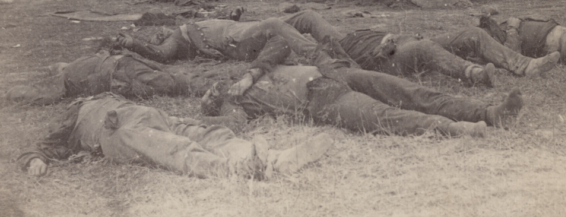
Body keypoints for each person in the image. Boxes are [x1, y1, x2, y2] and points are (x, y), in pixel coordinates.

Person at [116, 10, 559, 87]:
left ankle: (525, 66)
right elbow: (162, 54)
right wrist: (130, 42)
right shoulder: (183, 36)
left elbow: (298, 22)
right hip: (388, 55)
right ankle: (472, 74)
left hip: (387, 42)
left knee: (470, 34)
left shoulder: (331, 32)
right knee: (423, 47)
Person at [205, 36, 525, 138]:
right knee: (387, 116)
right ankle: (457, 129)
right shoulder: (236, 103)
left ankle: (490, 113)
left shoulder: (251, 74)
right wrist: (211, 113)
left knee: (411, 92)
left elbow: (281, 41)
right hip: (322, 102)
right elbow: (234, 125)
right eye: (207, 95)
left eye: (210, 88)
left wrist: (250, 75)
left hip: (339, 76)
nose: (212, 89)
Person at [18, 92, 333, 179]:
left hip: (151, 116)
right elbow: (39, 147)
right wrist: (33, 160)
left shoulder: (106, 95)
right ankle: (238, 169)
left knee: (207, 134)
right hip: (118, 132)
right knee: (176, 148)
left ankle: (275, 159)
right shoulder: (72, 117)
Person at [4, 50, 210, 106]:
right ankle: (208, 85)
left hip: (120, 71)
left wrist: (9, 95)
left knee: (168, 83)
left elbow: (42, 95)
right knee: (167, 80)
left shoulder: (67, 76)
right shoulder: (79, 64)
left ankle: (210, 87)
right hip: (124, 64)